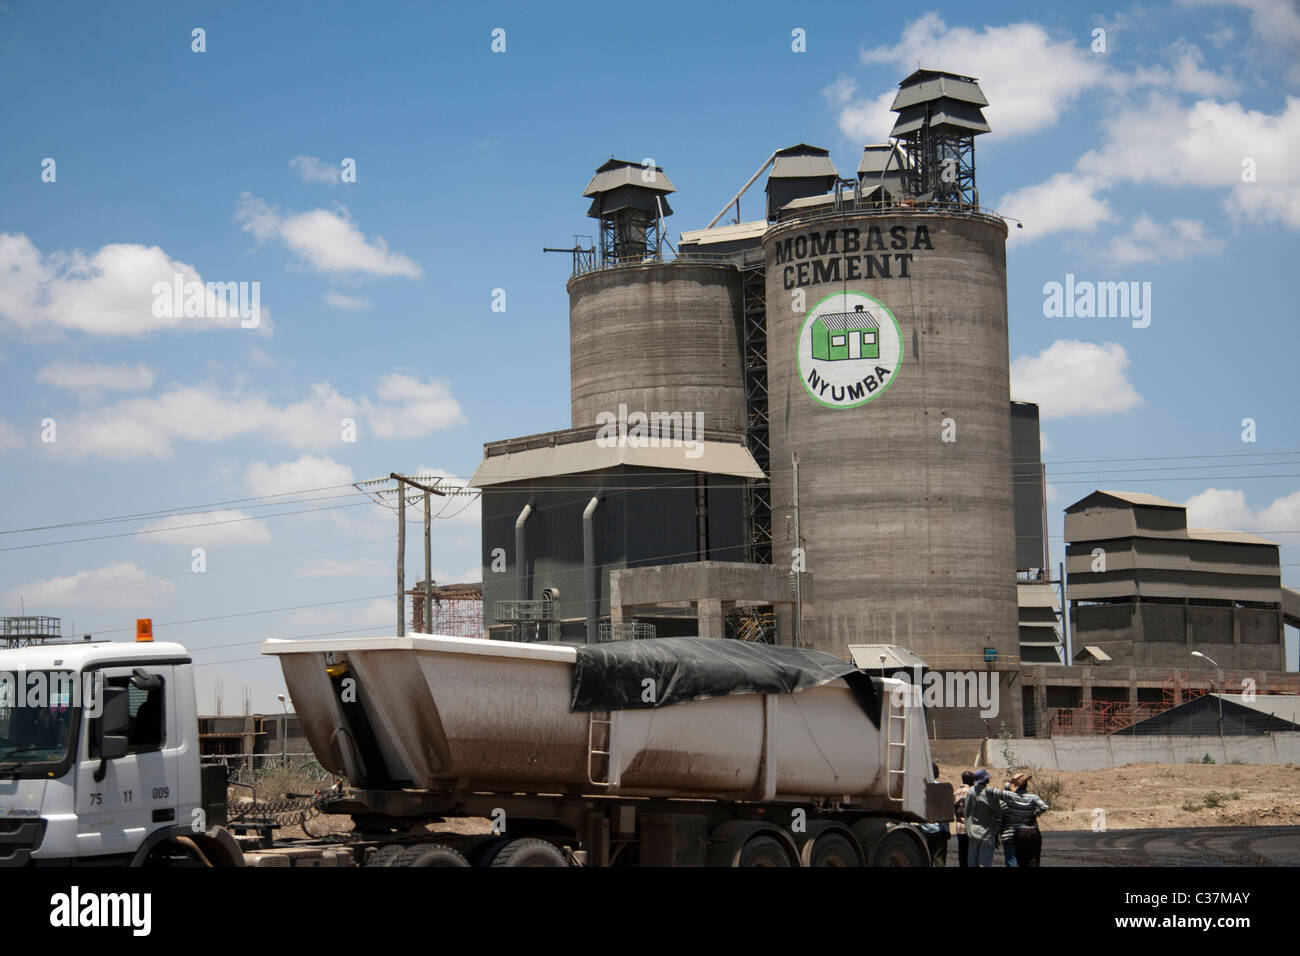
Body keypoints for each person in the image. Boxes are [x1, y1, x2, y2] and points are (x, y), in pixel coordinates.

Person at [999, 771, 1049, 867]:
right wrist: (1034, 814)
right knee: (1033, 860)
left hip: (1020, 832)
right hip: (1034, 831)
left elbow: (996, 792)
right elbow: (1044, 807)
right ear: (1026, 784)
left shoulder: (1011, 797)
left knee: (1021, 860)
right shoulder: (1033, 796)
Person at [963, 769, 1004, 867]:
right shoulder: (989, 793)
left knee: (972, 862)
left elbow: (967, 812)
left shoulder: (971, 791)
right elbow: (998, 812)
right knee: (984, 863)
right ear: (986, 779)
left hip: (972, 833)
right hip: (987, 833)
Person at [953, 770, 975, 868]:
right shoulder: (972, 792)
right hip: (970, 828)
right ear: (971, 780)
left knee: (962, 854)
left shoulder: (956, 793)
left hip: (959, 827)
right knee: (971, 855)